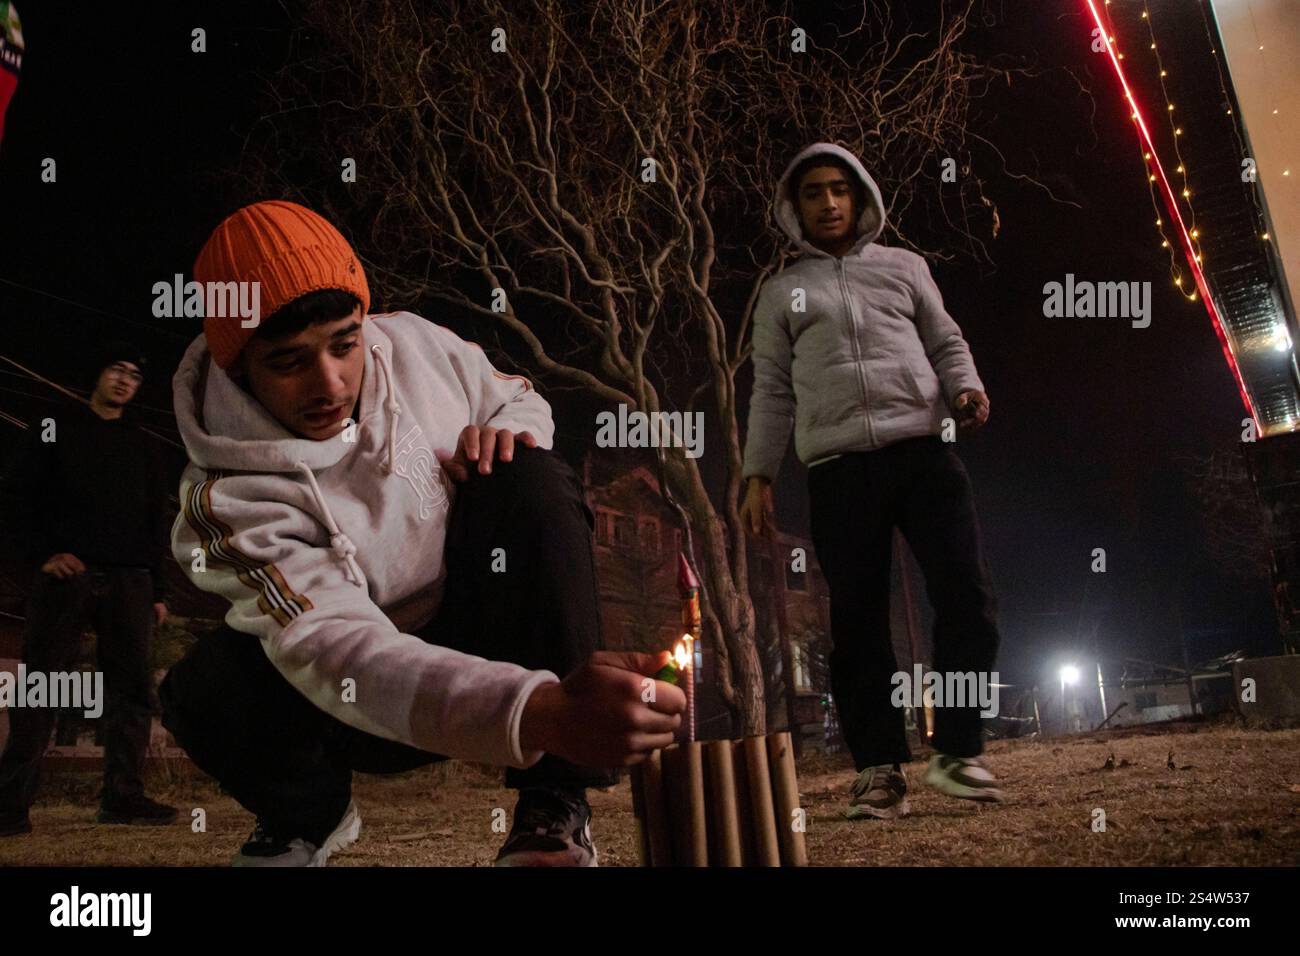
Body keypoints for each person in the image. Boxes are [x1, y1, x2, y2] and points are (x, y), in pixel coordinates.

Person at [158, 200, 685, 866]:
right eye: (290, 362)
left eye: (344, 345)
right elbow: (335, 649)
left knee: (530, 477)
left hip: (485, 632)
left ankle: (554, 805)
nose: (330, 383)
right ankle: (307, 815)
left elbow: (517, 398)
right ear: (241, 369)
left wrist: (505, 435)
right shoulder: (229, 497)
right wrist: (541, 711)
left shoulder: (413, 344)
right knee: (200, 689)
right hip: (358, 701)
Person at [739, 142, 1004, 820]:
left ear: (859, 199)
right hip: (837, 469)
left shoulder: (905, 268)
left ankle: (959, 750)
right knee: (857, 624)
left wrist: (966, 389)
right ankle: (879, 769)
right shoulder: (781, 292)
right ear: (793, 209)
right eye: (813, 193)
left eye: (839, 190)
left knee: (966, 597)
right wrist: (757, 475)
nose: (828, 202)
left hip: (924, 451)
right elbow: (770, 388)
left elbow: (946, 341)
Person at [0, 341, 178, 836]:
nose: (123, 380)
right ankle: (10, 807)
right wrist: (42, 555)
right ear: (97, 375)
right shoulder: (55, 429)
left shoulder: (143, 443)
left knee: (132, 693)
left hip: (130, 581)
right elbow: (15, 499)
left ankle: (122, 798)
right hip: (67, 579)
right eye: (115, 369)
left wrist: (158, 590)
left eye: (133, 376)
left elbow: (153, 521)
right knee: (42, 688)